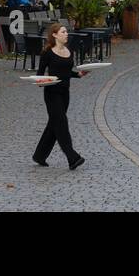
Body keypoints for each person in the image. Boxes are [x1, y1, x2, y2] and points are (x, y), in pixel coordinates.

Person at [32, 22, 90, 169]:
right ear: (55, 35)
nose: (66, 34)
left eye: (66, 32)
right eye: (63, 32)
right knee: (61, 123)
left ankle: (39, 155)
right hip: (52, 93)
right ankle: (72, 157)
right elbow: (39, 75)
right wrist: (42, 82)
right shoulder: (47, 53)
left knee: (54, 124)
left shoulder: (68, 51)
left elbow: (66, 72)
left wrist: (78, 74)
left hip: (65, 93)